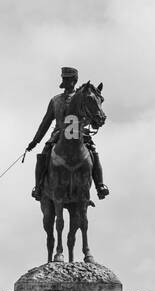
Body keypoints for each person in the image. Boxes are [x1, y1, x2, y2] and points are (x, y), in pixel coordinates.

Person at [27, 66, 110, 203]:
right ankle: (39, 187)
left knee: (93, 152)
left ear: (75, 80)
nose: (67, 81)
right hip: (59, 134)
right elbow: (45, 122)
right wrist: (35, 141)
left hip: (79, 133)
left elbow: (90, 112)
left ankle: (99, 186)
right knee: (45, 153)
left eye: (70, 79)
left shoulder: (82, 97)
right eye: (65, 79)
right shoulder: (55, 100)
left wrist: (92, 122)